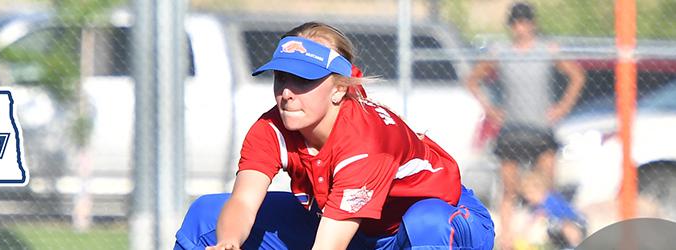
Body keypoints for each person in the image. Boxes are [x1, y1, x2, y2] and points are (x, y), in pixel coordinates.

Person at [175, 22, 495, 250]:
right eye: (281, 77)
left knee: (428, 224)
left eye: (303, 79)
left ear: (339, 89)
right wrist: (228, 242)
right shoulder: (271, 128)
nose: (286, 92)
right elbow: (244, 202)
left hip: (438, 226)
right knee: (207, 214)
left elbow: (330, 245)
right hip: (351, 229)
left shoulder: (365, 140)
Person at [464, 2, 586, 249]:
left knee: (547, 188)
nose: (521, 27)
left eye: (525, 22)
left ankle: (553, 235)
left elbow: (577, 75)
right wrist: (491, 109)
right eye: (516, 22)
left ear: (533, 24)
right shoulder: (501, 52)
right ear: (511, 26)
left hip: (540, 129)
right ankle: (507, 240)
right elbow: (472, 80)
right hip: (512, 129)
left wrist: (563, 107)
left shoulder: (546, 50)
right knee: (510, 189)